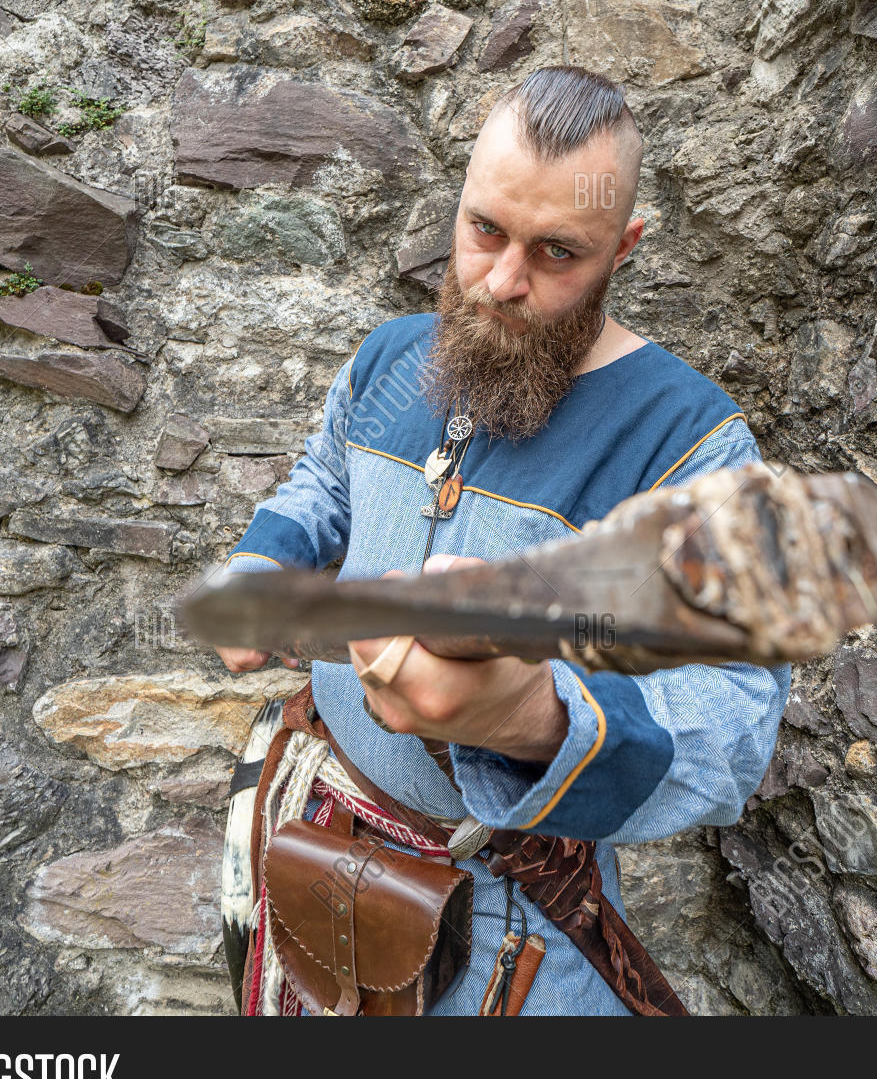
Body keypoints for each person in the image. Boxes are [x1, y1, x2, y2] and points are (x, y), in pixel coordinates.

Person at [214, 65, 791, 1015]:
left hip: (509, 926)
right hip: (316, 838)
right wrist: (265, 560)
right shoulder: (393, 357)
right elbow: (322, 479)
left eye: (558, 252)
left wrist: (531, 718)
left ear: (625, 248)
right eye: (484, 230)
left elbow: (735, 725)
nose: (502, 282)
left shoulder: (692, 447)